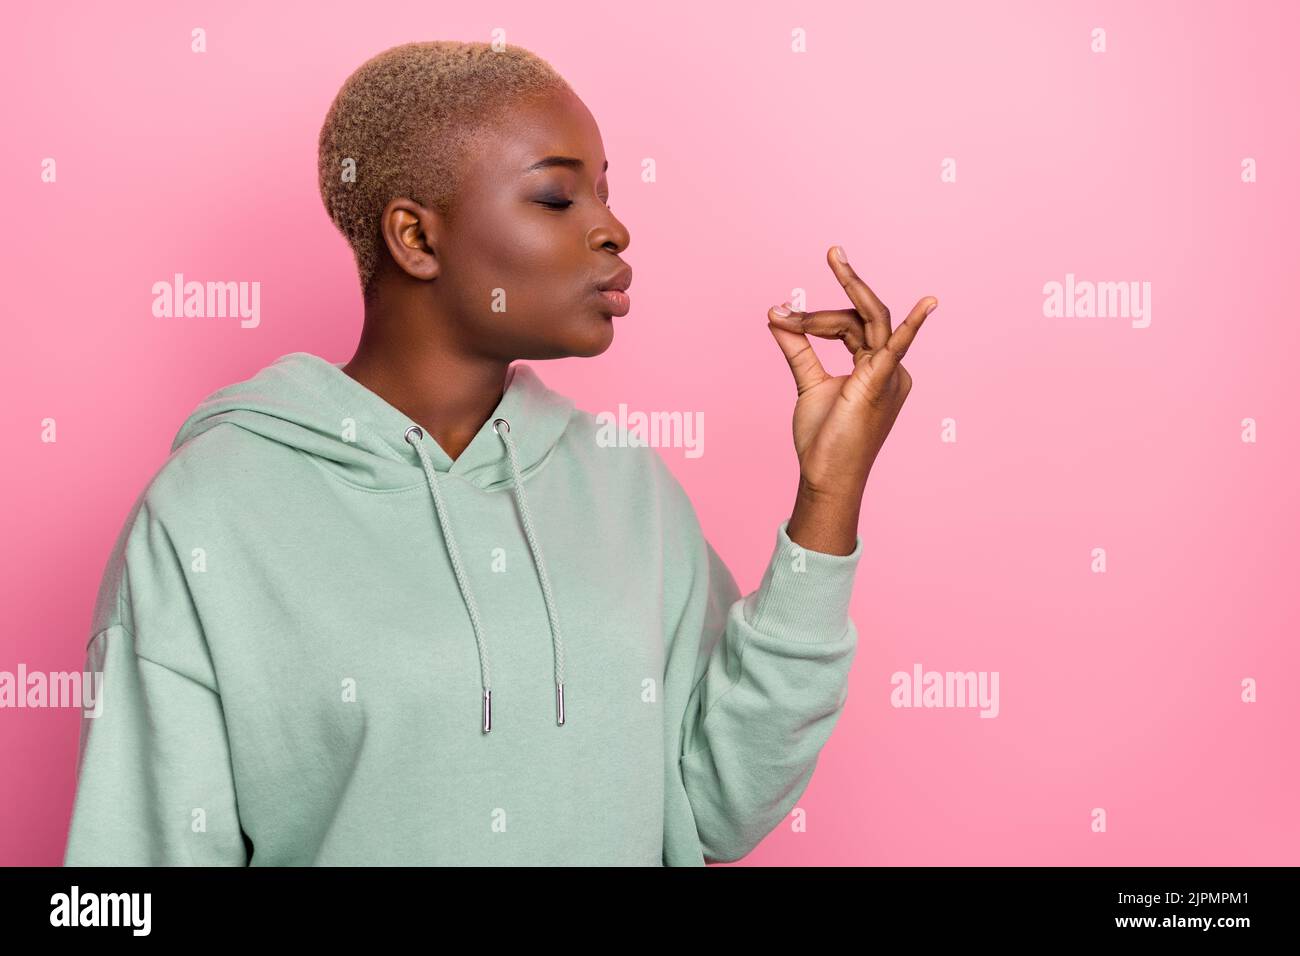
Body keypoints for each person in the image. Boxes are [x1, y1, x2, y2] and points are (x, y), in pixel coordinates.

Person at [62, 40, 936, 866]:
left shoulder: (627, 484)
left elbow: (719, 807)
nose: (614, 229)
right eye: (559, 198)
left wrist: (829, 493)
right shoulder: (210, 515)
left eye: (606, 192)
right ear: (417, 238)